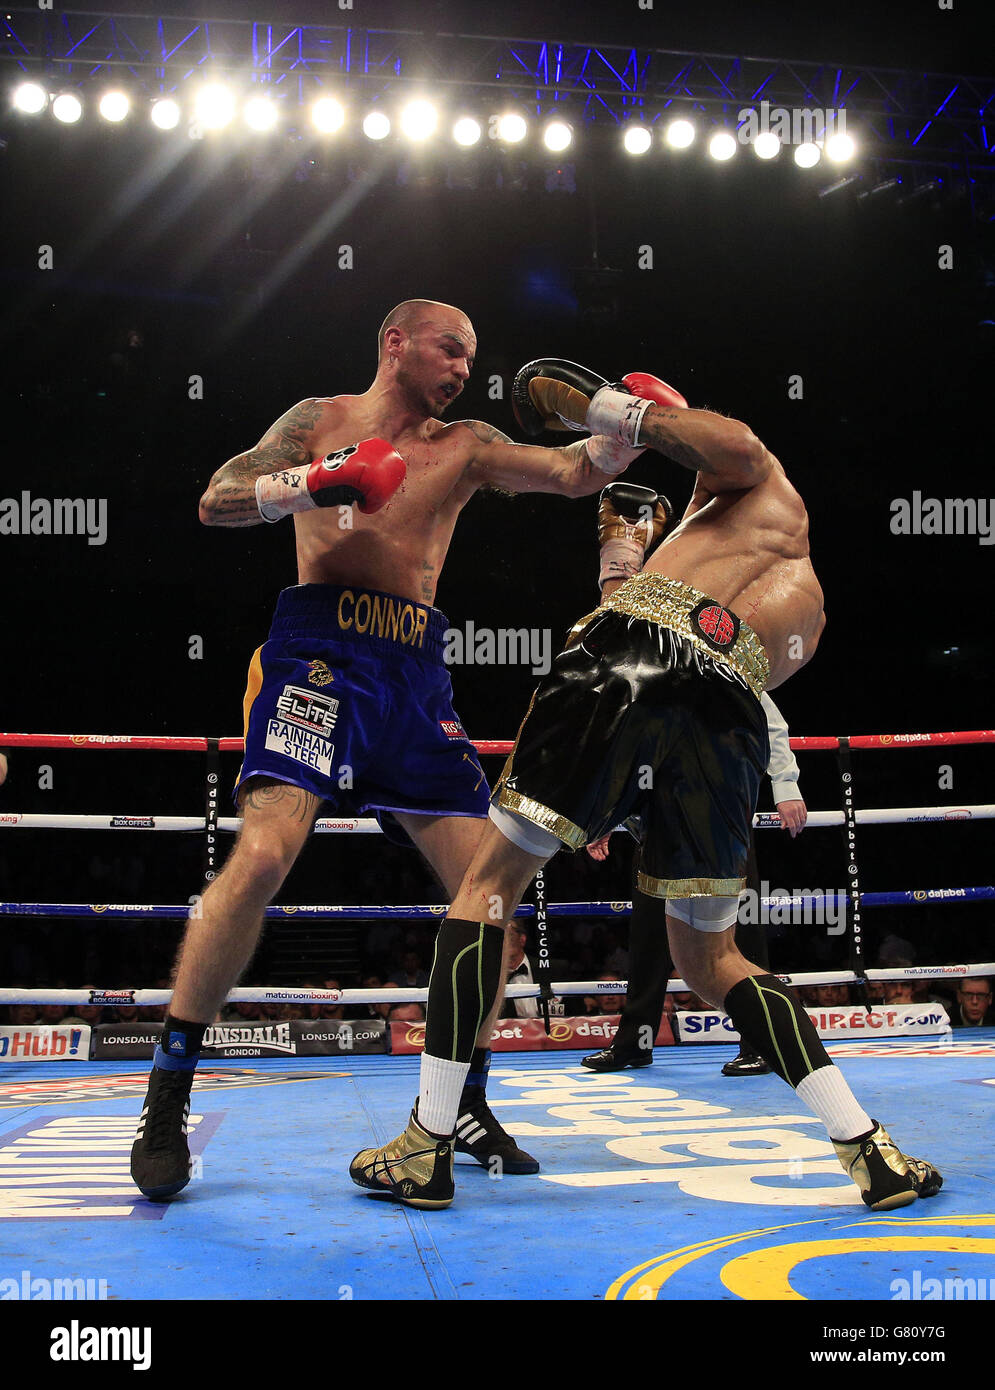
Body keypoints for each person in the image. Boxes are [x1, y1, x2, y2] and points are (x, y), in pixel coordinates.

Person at [350, 357, 941, 1214]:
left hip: (623, 659)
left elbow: (724, 462)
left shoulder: (758, 482)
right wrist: (625, 551)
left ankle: (426, 1143)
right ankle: (866, 1149)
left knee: (485, 889)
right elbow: (692, 671)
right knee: (711, 958)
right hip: (729, 708)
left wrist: (613, 412)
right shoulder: (799, 596)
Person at [130, 302, 639, 1200]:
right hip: (315, 657)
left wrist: (623, 425)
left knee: (492, 907)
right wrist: (316, 482)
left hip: (413, 674)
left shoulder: (469, 443)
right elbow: (216, 500)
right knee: (260, 858)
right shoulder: (314, 421)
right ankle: (170, 1085)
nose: (463, 369)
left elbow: (571, 474)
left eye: (473, 357)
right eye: (450, 349)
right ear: (395, 343)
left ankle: (463, 1105)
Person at [581, 487, 810, 1076]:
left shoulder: (707, 623)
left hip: (718, 793)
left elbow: (763, 710)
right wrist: (606, 812)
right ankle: (636, 1038)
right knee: (649, 924)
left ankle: (760, 1042)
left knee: (740, 926)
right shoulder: (620, 643)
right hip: (655, 804)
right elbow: (612, 729)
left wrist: (785, 785)